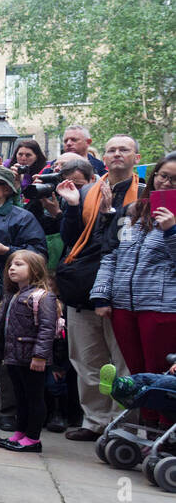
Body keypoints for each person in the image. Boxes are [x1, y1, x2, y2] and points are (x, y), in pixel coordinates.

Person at [89, 151, 176, 427]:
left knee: (160, 375)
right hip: (124, 305)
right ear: (154, 176)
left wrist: (172, 230)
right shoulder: (134, 210)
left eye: (174, 180)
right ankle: (147, 431)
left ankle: (165, 435)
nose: (166, 183)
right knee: (136, 375)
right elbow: (112, 254)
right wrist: (101, 294)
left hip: (161, 308)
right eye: (163, 176)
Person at [53, 150, 133, 441]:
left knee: (121, 364)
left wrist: (110, 214)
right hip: (82, 292)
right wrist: (73, 207)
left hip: (121, 295)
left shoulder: (144, 193)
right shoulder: (86, 193)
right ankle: (95, 422)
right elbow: (71, 240)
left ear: (135, 157)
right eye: (112, 149)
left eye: (123, 149)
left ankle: (121, 424)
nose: (116, 154)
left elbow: (119, 244)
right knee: (87, 362)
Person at [0, 164, 47, 428]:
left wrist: (8, 251)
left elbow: (39, 254)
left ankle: (8, 411)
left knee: (3, 353)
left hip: (7, 297)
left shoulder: (21, 217)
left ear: (6, 189)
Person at [0, 251, 58, 453]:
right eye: (11, 264)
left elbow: (47, 329)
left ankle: (33, 437)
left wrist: (40, 356)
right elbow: (2, 327)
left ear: (35, 270)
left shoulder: (43, 297)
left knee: (34, 398)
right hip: (14, 357)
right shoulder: (12, 296)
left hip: (31, 359)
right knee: (19, 397)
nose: (12, 268)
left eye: (19, 264)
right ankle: (20, 433)